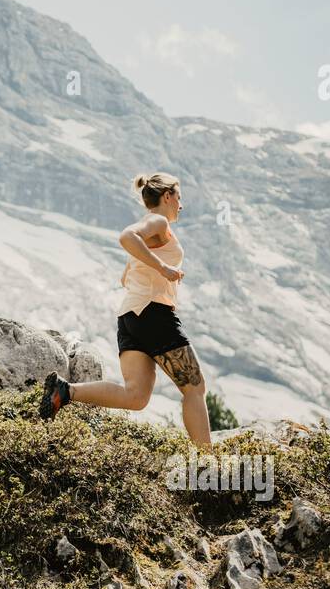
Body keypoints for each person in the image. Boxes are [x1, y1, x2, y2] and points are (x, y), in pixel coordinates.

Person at [39, 172, 212, 444]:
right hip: (154, 313)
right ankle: (208, 461)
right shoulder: (157, 221)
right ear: (167, 196)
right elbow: (126, 236)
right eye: (179, 197)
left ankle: (65, 391)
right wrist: (165, 268)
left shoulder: (151, 231)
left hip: (131, 317)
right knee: (194, 388)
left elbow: (130, 266)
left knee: (136, 396)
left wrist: (149, 269)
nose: (181, 204)